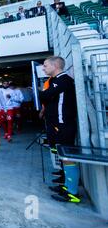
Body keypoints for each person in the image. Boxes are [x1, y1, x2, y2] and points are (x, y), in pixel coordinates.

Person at [39, 56, 79, 203]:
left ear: (55, 65)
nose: (43, 68)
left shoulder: (64, 80)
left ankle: (73, 193)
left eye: (45, 65)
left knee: (68, 159)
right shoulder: (56, 81)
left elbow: (44, 95)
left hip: (64, 126)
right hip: (57, 125)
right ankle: (67, 186)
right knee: (64, 157)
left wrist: (44, 94)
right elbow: (47, 98)